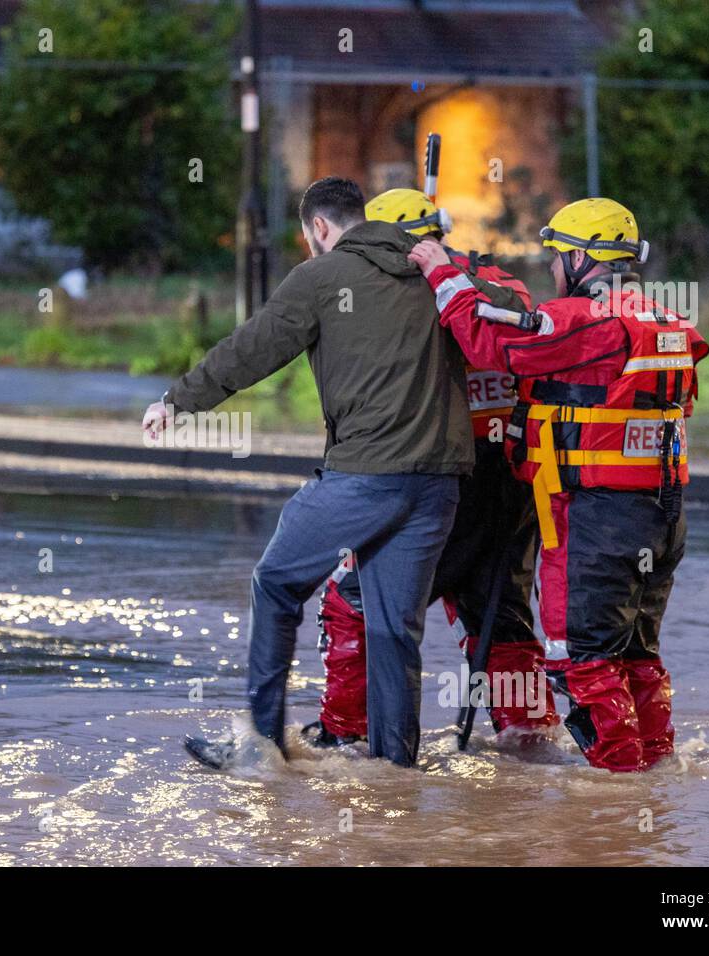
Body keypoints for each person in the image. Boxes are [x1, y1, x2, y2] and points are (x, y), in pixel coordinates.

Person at [144, 176, 471, 768]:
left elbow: (253, 348)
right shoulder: (436, 271)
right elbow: (508, 313)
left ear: (319, 228)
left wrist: (177, 401)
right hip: (440, 482)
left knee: (275, 583)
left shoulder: (322, 277)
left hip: (365, 475)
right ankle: (394, 773)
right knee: (393, 631)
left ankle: (262, 745)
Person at [409, 197, 709, 772]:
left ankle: (618, 793)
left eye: (555, 256)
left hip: (597, 520)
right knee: (637, 656)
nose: (550, 269)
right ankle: (657, 775)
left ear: (579, 257)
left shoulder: (587, 319)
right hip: (662, 516)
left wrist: (440, 270)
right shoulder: (668, 321)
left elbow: (490, 342)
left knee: (584, 662)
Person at [308, 188, 558, 747]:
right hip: (513, 482)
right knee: (501, 616)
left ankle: (344, 738)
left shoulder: (402, 301)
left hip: (442, 477)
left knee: (352, 601)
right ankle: (530, 739)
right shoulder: (498, 283)